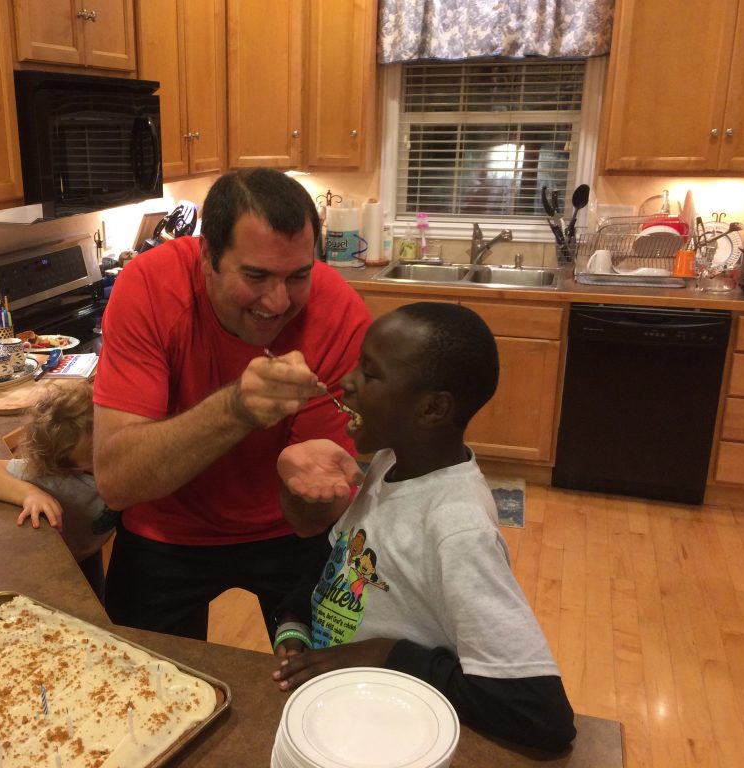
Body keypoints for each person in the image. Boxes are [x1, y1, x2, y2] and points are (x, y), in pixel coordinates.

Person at [271, 302, 576, 752]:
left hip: (394, 733)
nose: (346, 383)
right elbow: (343, 561)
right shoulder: (391, 462)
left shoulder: (458, 528)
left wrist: (384, 655)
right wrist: (295, 620)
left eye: (370, 374)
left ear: (432, 407)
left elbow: (541, 716)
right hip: (343, 710)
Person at [92, 168, 371, 640]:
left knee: (323, 685)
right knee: (143, 692)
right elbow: (117, 482)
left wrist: (308, 489)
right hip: (164, 527)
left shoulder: (340, 312)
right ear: (207, 257)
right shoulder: (150, 287)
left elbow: (313, 520)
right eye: (256, 275)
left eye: (299, 275)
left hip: (289, 534)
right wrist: (236, 409)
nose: (279, 302)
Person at [0, 380, 117, 600]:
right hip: (63, 561)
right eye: (94, 457)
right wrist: (30, 493)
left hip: (90, 550)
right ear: (63, 465)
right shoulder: (50, 476)